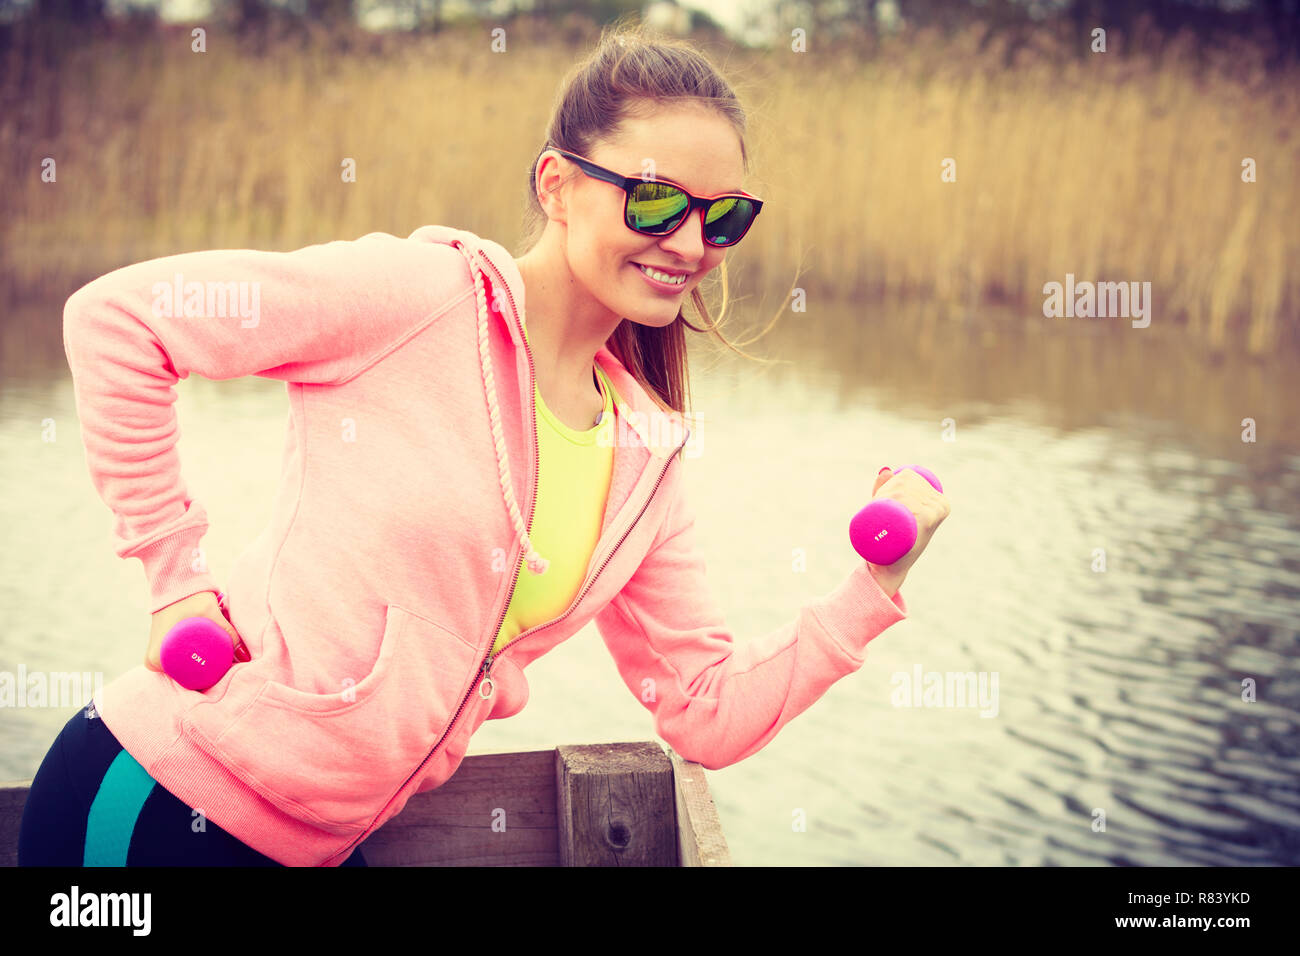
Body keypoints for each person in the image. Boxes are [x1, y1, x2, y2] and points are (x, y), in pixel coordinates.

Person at [19, 22, 948, 867]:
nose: (694, 241)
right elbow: (119, 322)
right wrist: (174, 576)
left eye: (727, 215)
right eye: (659, 200)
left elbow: (704, 708)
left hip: (320, 848)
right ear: (559, 184)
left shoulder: (645, 461)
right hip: (149, 802)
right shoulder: (418, 300)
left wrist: (875, 589)